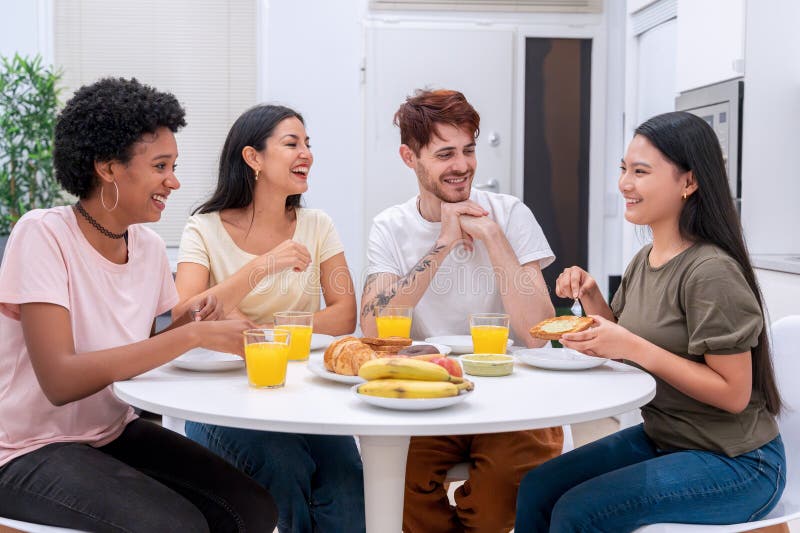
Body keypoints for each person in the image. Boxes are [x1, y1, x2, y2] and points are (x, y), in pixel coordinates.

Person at [0, 78, 278, 532]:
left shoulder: (147, 247)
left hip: (109, 432)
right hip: (25, 449)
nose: (174, 181)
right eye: (160, 166)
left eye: (174, 165)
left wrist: (194, 320)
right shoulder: (43, 235)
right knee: (177, 526)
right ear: (108, 168)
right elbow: (60, 380)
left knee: (253, 508)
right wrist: (192, 335)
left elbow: (141, 352)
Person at [515, 111, 786, 532]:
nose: (624, 183)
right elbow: (627, 342)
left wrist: (632, 346)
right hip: (668, 439)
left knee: (578, 512)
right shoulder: (645, 260)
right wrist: (593, 301)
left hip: (739, 463)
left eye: (641, 171)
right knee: (536, 486)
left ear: (689, 182)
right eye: (624, 169)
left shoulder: (711, 271)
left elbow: (734, 394)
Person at [360, 88, 563, 533]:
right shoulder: (390, 227)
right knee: (394, 489)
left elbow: (537, 334)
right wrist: (444, 243)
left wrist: (490, 234)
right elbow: (373, 329)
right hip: (429, 398)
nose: (462, 165)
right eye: (445, 153)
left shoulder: (510, 214)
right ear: (409, 158)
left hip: (512, 396)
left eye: (468, 150)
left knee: (501, 495)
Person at [173, 104, 365, 533]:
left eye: (308, 144)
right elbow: (186, 313)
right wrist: (262, 267)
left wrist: (259, 331)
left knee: (347, 479)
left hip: (303, 393)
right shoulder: (203, 228)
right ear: (253, 158)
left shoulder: (317, 226)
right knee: (283, 464)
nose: (307, 154)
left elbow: (344, 314)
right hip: (222, 400)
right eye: (291, 143)